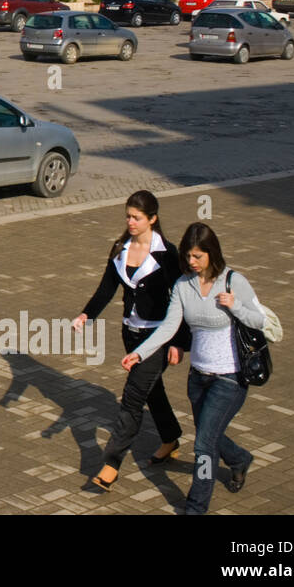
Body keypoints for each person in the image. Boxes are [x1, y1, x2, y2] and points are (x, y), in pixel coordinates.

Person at [121, 223, 269, 515]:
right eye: (188, 256)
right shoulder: (183, 285)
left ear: (212, 253)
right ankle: (239, 459)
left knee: (203, 446)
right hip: (198, 378)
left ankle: (195, 508)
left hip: (230, 378)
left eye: (198, 256)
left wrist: (236, 306)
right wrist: (139, 353)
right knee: (208, 435)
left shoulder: (233, 281)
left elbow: (260, 320)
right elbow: (169, 327)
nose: (191, 261)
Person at [73, 191, 189, 492]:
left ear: (152, 219)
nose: (130, 222)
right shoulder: (120, 248)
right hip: (130, 333)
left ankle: (111, 464)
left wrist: (179, 342)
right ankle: (170, 438)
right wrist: (86, 314)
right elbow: (106, 288)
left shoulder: (167, 254)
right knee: (153, 390)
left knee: (133, 398)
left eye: (137, 217)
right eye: (128, 216)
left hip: (158, 337)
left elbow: (183, 299)